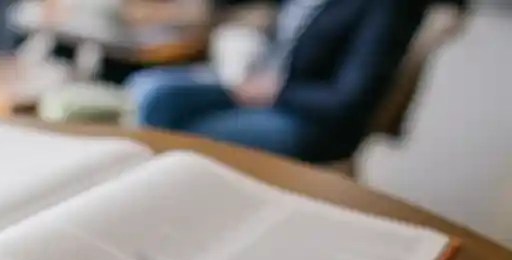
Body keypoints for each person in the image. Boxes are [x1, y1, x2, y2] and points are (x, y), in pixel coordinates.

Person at [127, 0, 429, 162]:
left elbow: (349, 101)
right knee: (153, 92)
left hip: (309, 118)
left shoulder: (388, 5)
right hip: (259, 83)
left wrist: (276, 91)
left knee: (172, 129)